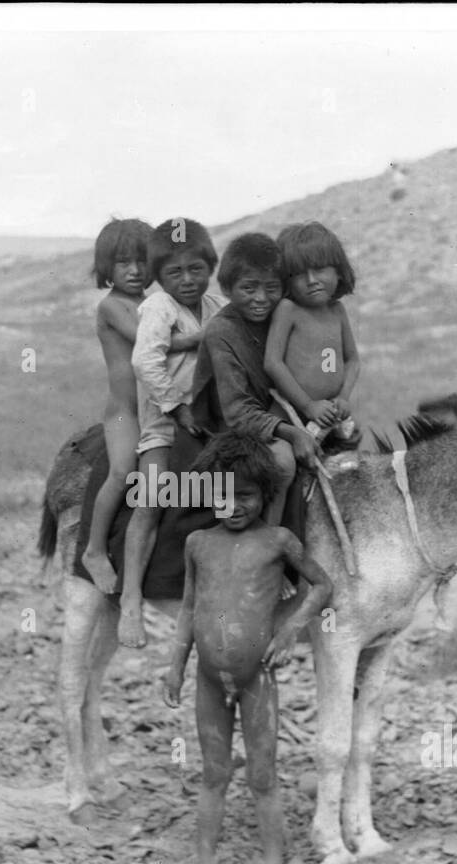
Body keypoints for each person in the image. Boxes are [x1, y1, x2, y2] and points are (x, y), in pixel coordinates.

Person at [162, 431, 333, 864]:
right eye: (223, 494)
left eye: (246, 496)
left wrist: (288, 632)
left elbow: (322, 586)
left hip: (257, 679)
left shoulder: (278, 542)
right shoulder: (198, 543)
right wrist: (175, 666)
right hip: (208, 682)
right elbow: (190, 607)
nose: (233, 505)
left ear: (265, 495)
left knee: (263, 779)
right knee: (213, 775)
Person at [117, 218, 224, 647]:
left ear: (211, 267)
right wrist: (176, 408)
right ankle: (129, 599)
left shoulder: (217, 307)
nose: (187, 281)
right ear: (159, 276)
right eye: (174, 273)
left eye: (196, 270)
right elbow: (145, 361)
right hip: (166, 420)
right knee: (154, 494)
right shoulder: (158, 308)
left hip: (212, 419)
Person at [197, 233, 321, 528]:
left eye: (271, 288)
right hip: (236, 431)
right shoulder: (221, 331)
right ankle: (267, 540)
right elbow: (238, 412)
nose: (261, 298)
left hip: (283, 417)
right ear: (227, 288)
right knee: (282, 463)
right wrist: (292, 434)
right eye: (248, 288)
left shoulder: (285, 316)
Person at [79, 218, 152, 593]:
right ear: (108, 266)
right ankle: (94, 550)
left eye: (142, 260)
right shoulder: (113, 306)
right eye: (124, 262)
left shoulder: (155, 302)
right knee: (123, 472)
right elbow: (147, 340)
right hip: (125, 411)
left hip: (155, 409)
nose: (135, 270)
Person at [262, 221, 362, 452]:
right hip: (290, 415)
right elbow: (272, 363)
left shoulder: (337, 310)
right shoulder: (288, 309)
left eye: (319, 269)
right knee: (281, 465)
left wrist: (344, 397)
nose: (311, 280)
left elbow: (352, 360)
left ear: (338, 270)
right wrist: (308, 406)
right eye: (298, 274)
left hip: (331, 417)